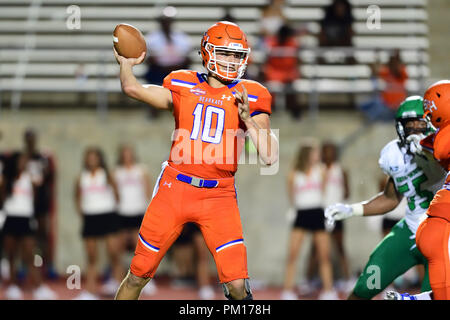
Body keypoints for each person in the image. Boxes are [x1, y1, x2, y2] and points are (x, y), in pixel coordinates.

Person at [113, 20, 278, 300]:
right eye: (225, 53)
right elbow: (134, 90)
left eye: (236, 55)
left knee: (238, 286)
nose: (231, 60)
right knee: (138, 274)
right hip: (175, 188)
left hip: (219, 194)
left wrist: (247, 118)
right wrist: (126, 65)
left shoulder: (251, 93)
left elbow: (270, 156)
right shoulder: (183, 82)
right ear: (207, 51)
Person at [325, 96, 446, 300]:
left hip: (442, 236)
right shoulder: (394, 155)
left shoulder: (443, 146)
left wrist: (428, 150)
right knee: (365, 287)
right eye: (410, 124)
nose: (416, 128)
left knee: (436, 296)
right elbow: (391, 198)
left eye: (420, 122)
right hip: (409, 230)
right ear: (400, 128)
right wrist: (352, 209)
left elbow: (442, 162)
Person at [387, 80, 450, 300]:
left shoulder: (443, 138)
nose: (427, 117)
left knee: (434, 240)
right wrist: (424, 143)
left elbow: (441, 149)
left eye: (429, 111)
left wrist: (424, 144)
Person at [281, 142, 337, 300]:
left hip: (318, 212)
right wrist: (292, 209)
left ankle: (328, 291)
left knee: (324, 255)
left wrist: (327, 215)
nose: (317, 155)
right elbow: (291, 195)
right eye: (315, 152)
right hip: (301, 213)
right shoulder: (293, 173)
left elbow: (325, 193)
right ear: (306, 154)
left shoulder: (322, 171)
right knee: (292, 254)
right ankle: (287, 290)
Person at [1, 153, 57, 300]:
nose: (23, 163)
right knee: (12, 255)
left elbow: (37, 197)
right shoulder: (7, 180)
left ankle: (38, 287)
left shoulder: (31, 179)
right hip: (11, 218)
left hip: (26, 218)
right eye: (20, 161)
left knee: (30, 254)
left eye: (25, 161)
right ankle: (13, 286)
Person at [73, 147, 124, 300]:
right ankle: (90, 291)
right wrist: (82, 211)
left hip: (108, 215)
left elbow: (117, 195)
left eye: (95, 157)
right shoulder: (81, 177)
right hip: (90, 218)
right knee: (91, 257)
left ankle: (120, 287)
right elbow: (77, 196)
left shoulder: (107, 175)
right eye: (89, 158)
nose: (92, 161)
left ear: (100, 159)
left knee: (114, 253)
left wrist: (112, 210)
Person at [113, 143, 156, 296]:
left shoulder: (141, 170)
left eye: (129, 153)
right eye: (124, 153)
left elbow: (148, 191)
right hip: (122, 213)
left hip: (138, 212)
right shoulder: (116, 172)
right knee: (119, 248)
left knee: (141, 250)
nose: (127, 156)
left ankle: (147, 281)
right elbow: (114, 193)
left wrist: (150, 211)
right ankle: (117, 280)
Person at [21, 129, 57, 280]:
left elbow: (49, 177)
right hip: (24, 203)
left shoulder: (42, 158)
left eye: (32, 139)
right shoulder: (21, 158)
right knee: (24, 236)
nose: (30, 141)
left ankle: (47, 265)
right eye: (28, 139)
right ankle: (24, 266)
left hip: (40, 203)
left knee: (42, 234)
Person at [261, 23, 301, 118]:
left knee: (291, 87)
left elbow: (296, 62)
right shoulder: (272, 43)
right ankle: (268, 111)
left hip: (288, 73)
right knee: (269, 91)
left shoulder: (292, 43)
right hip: (274, 72)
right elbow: (267, 62)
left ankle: (294, 110)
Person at [359, 50, 409, 122]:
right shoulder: (387, 72)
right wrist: (376, 57)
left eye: (396, 63)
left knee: (376, 110)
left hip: (395, 106)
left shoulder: (402, 72)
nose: (394, 65)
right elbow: (375, 71)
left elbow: (399, 70)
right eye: (392, 63)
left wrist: (397, 57)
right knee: (364, 105)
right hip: (385, 103)